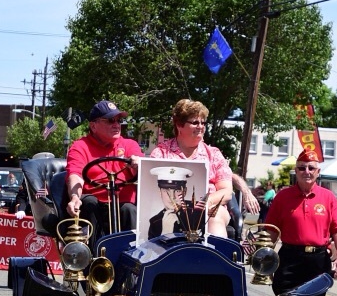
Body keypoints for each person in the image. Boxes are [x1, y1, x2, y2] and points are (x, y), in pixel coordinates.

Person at [263, 148, 337, 295]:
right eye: (302, 168)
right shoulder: (283, 197)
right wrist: (267, 259)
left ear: (318, 172)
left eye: (311, 168)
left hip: (318, 261)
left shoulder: (328, 197)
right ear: (296, 170)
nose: (306, 171)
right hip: (289, 259)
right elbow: (272, 231)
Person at [150, 99, 233, 238]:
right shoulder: (161, 153)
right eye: (195, 122)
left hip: (210, 209)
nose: (201, 126)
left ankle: (216, 258)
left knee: (214, 217)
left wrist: (207, 202)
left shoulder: (213, 154)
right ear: (179, 125)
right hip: (172, 209)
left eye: (203, 123)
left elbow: (227, 191)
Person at [66, 100, 143, 240]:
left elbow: (142, 174)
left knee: (130, 209)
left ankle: (134, 256)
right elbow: (75, 174)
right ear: (93, 126)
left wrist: (138, 165)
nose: (116, 124)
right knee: (89, 202)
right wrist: (75, 197)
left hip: (122, 206)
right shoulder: (80, 146)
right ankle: (91, 256)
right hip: (94, 207)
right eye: (110, 120)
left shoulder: (130, 145)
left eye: (119, 120)